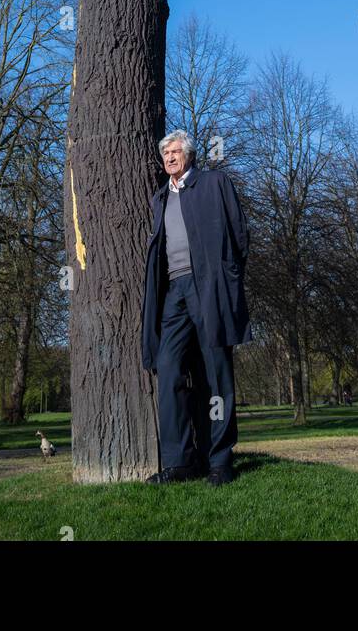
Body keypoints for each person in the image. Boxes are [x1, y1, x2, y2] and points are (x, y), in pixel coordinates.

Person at [141, 131, 252, 486]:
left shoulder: (214, 183)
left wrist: (227, 278)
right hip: (174, 292)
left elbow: (239, 236)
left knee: (216, 373)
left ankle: (219, 460)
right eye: (166, 154)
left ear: (189, 155)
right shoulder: (161, 198)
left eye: (175, 152)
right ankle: (179, 462)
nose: (170, 158)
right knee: (169, 367)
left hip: (209, 288)